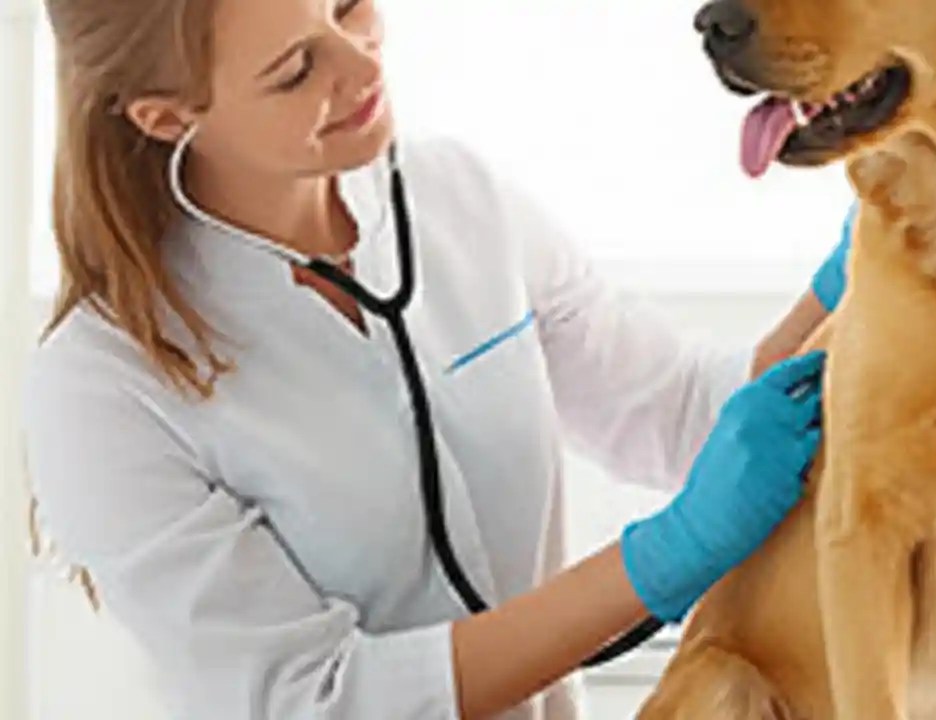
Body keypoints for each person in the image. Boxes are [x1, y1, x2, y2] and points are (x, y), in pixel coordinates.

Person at [22, 1, 854, 718]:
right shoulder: (104, 387)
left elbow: (684, 417)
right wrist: (666, 556)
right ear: (168, 115)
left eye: (347, 3)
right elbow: (318, 698)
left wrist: (849, 279)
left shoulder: (457, 199)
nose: (358, 65)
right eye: (294, 70)